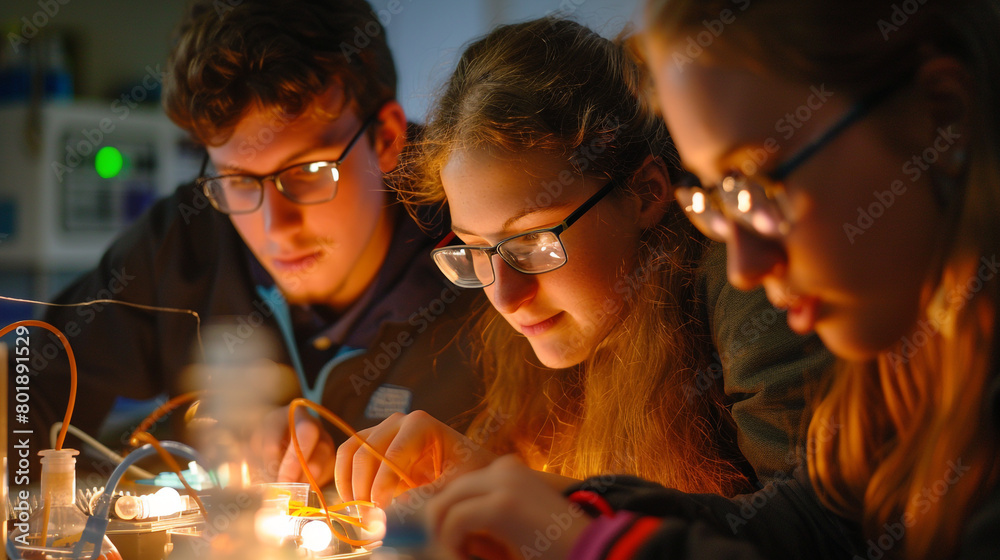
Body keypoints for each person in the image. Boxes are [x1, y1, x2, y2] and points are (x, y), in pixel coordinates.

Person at [392, 1, 1000, 559]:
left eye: (757, 187)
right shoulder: (914, 362)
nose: (746, 266)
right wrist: (576, 511)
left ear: (940, 117)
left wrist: (599, 546)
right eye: (716, 199)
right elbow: (817, 520)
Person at [335, 16, 833, 521]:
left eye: (531, 240)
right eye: (475, 249)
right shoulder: (534, 343)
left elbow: (811, 531)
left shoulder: (746, 284)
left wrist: (539, 501)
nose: (506, 297)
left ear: (646, 193)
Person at [13, 0, 483, 486]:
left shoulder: (485, 256)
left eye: (307, 172)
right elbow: (28, 387)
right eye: (239, 181)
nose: (274, 227)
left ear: (385, 138)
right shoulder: (185, 240)